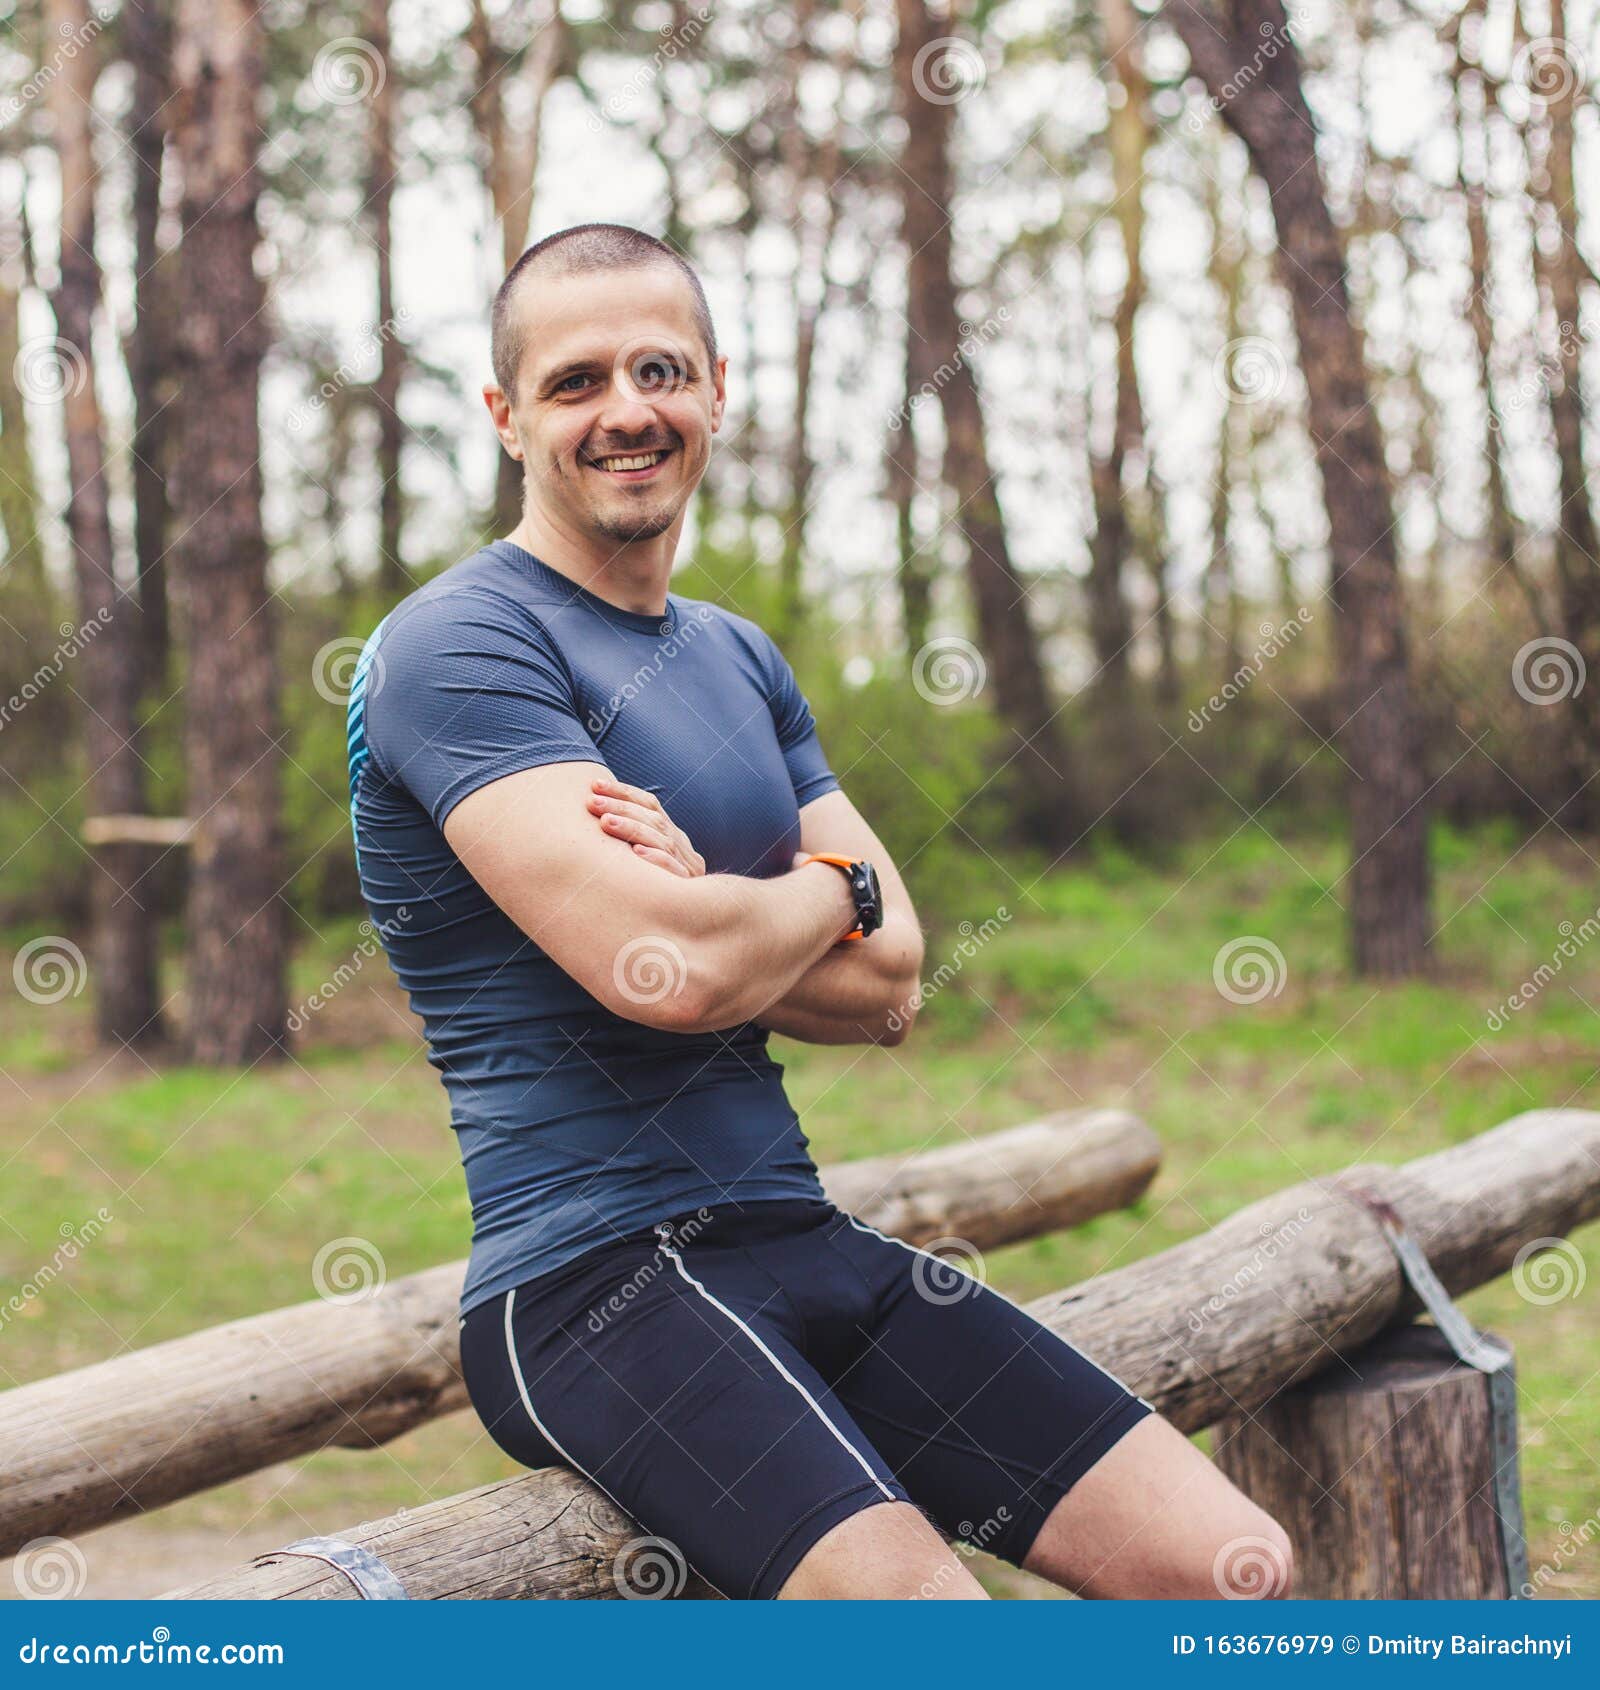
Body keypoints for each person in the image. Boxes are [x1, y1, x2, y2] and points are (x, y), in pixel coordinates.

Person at [347, 222, 1293, 1601]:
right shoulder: (460, 642)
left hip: (801, 1235)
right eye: (574, 381)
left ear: (717, 389)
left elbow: (894, 983)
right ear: (506, 416)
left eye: (660, 369)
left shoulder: (736, 653)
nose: (627, 410)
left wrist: (755, 908)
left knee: (1240, 1567)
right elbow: (667, 970)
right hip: (591, 1287)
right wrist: (799, 899)